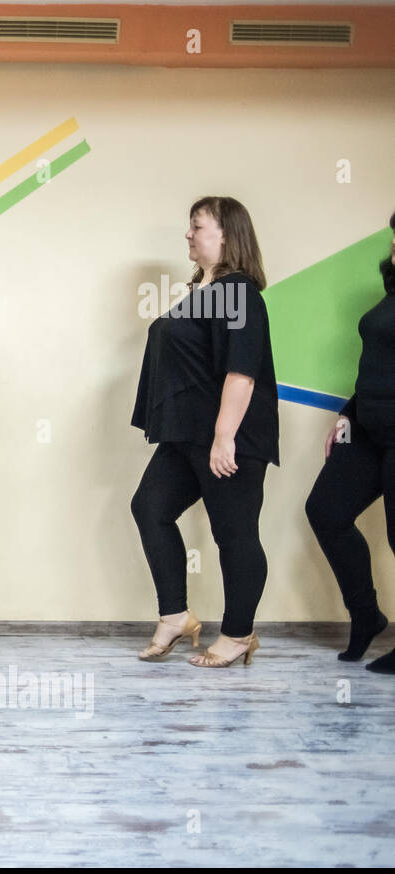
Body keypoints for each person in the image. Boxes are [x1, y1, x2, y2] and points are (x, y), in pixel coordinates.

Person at [131, 196, 278, 667]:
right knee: (150, 508)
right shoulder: (205, 291)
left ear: (227, 236)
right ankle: (176, 615)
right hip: (187, 435)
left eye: (197, 226)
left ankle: (238, 634)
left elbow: (242, 372)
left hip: (226, 437)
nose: (188, 235)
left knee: (234, 534)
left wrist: (223, 437)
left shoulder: (237, 292)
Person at [305, 210, 395, 674]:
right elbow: (378, 365)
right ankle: (367, 615)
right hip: (366, 427)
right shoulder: (390, 295)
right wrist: (346, 414)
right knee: (326, 511)